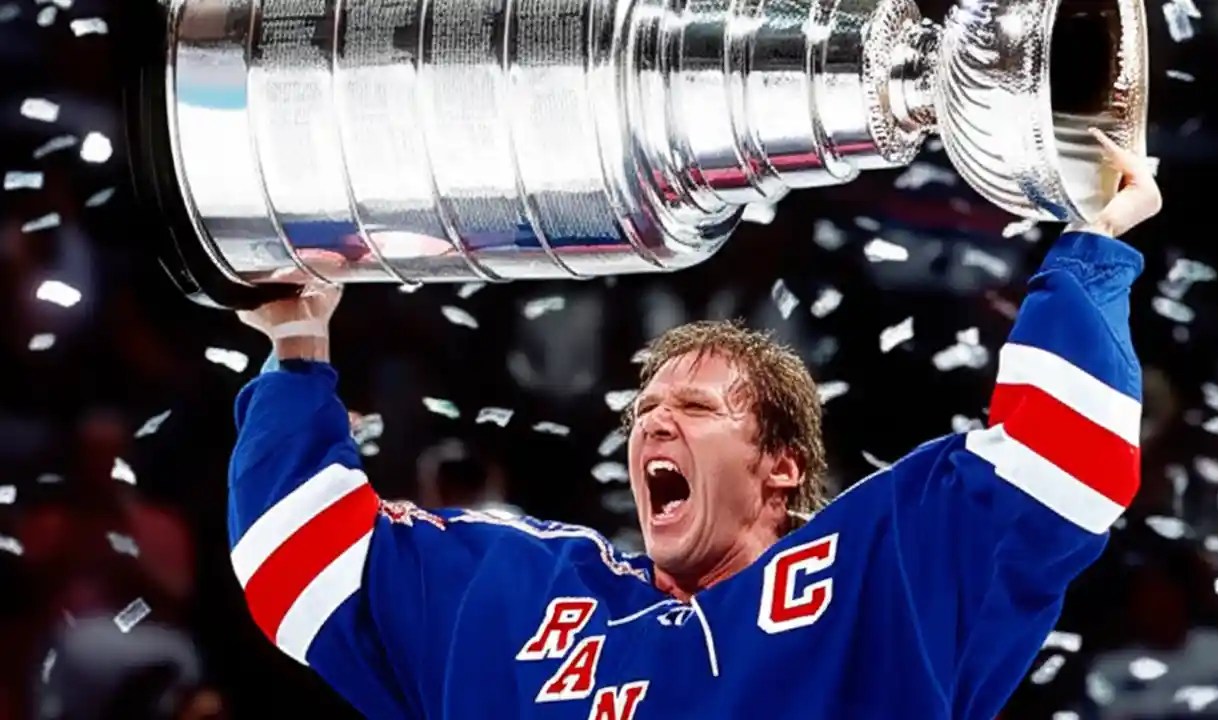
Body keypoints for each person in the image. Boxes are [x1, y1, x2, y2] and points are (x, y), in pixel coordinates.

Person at [225, 129, 1161, 719]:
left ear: (783, 467)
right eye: (644, 412)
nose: (653, 426)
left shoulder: (879, 568)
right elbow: (299, 562)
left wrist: (1091, 249)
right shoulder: (525, 595)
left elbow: (1058, 462)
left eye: (696, 408)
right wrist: (300, 348)